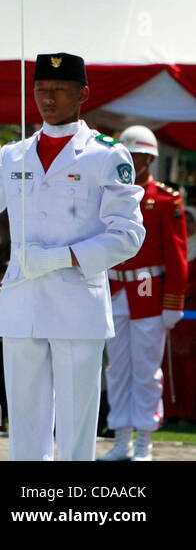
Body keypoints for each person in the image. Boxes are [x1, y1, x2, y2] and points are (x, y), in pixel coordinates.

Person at [0, 53, 144, 461]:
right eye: (40, 90)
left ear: (82, 94)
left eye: (59, 90)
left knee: (75, 430)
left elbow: (128, 235)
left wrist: (62, 257)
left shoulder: (106, 154)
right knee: (26, 428)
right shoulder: (15, 155)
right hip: (23, 304)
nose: (47, 99)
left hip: (76, 304)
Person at [99, 125, 189, 461]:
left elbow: (177, 255)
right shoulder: (108, 193)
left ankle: (144, 442)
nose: (131, 162)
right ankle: (121, 438)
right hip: (113, 287)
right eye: (127, 155)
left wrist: (173, 301)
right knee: (117, 368)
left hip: (146, 286)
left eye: (137, 156)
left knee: (147, 369)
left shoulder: (166, 199)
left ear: (150, 159)